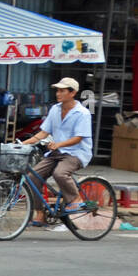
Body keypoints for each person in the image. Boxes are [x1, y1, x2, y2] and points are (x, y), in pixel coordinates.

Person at [23, 77, 93, 232]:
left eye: (62, 90)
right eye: (57, 90)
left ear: (72, 93)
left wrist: (59, 144)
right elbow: (43, 132)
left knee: (60, 173)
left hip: (76, 153)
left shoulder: (82, 113)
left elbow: (78, 138)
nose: (58, 93)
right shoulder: (55, 109)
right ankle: (40, 214)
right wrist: (22, 144)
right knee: (32, 177)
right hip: (56, 152)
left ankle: (76, 199)